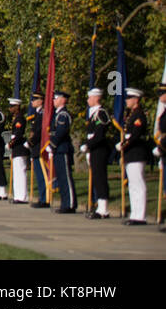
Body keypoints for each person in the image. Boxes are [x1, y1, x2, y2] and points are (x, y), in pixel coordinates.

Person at [119, 88, 149, 225]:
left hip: (136, 152)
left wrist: (124, 144)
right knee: (132, 185)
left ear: (136, 100)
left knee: (138, 184)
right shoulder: (131, 115)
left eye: (129, 98)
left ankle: (140, 215)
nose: (126, 100)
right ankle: (135, 213)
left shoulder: (139, 115)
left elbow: (135, 135)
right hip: (130, 153)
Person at [81, 88, 112, 219]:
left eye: (90, 98)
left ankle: (103, 209)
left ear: (96, 98)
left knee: (100, 178)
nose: (88, 100)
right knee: (96, 178)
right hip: (93, 149)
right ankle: (98, 206)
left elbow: (99, 134)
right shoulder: (93, 114)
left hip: (99, 149)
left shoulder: (101, 113)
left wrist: (88, 144)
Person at [48, 91, 77, 214]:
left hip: (62, 149)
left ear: (62, 100)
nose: (53, 101)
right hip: (58, 150)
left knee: (65, 177)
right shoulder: (57, 114)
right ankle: (65, 203)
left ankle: (70, 203)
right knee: (60, 178)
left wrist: (52, 145)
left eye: (55, 99)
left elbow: (60, 132)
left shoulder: (63, 115)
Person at [26, 90, 49, 208]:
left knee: (43, 174)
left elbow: (40, 131)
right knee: (39, 175)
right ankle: (42, 197)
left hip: (40, 147)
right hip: (35, 148)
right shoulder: (37, 114)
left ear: (40, 101)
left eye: (34, 100)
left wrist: (31, 142)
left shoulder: (43, 114)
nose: (32, 102)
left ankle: (45, 198)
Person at [8, 97, 28, 203]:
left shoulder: (20, 119)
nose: (10, 109)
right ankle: (18, 196)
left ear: (17, 107)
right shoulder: (16, 118)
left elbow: (18, 134)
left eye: (12, 107)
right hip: (16, 149)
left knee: (20, 173)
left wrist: (11, 143)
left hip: (20, 148)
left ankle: (22, 196)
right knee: (17, 173)